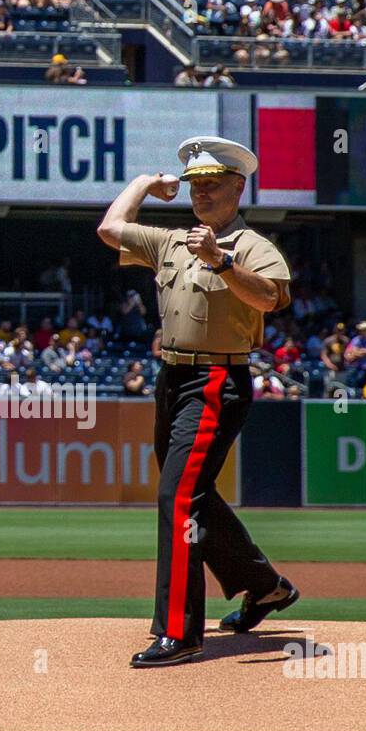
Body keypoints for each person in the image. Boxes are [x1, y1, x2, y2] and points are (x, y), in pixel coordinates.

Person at [97, 135, 300, 668]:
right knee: (195, 493)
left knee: (179, 496)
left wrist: (224, 262)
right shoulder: (172, 241)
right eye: (194, 185)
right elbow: (109, 228)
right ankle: (265, 586)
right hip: (173, 379)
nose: (200, 194)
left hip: (217, 379)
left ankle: (179, 631)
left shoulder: (253, 245)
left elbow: (268, 300)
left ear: (238, 187)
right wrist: (144, 183)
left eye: (212, 185)